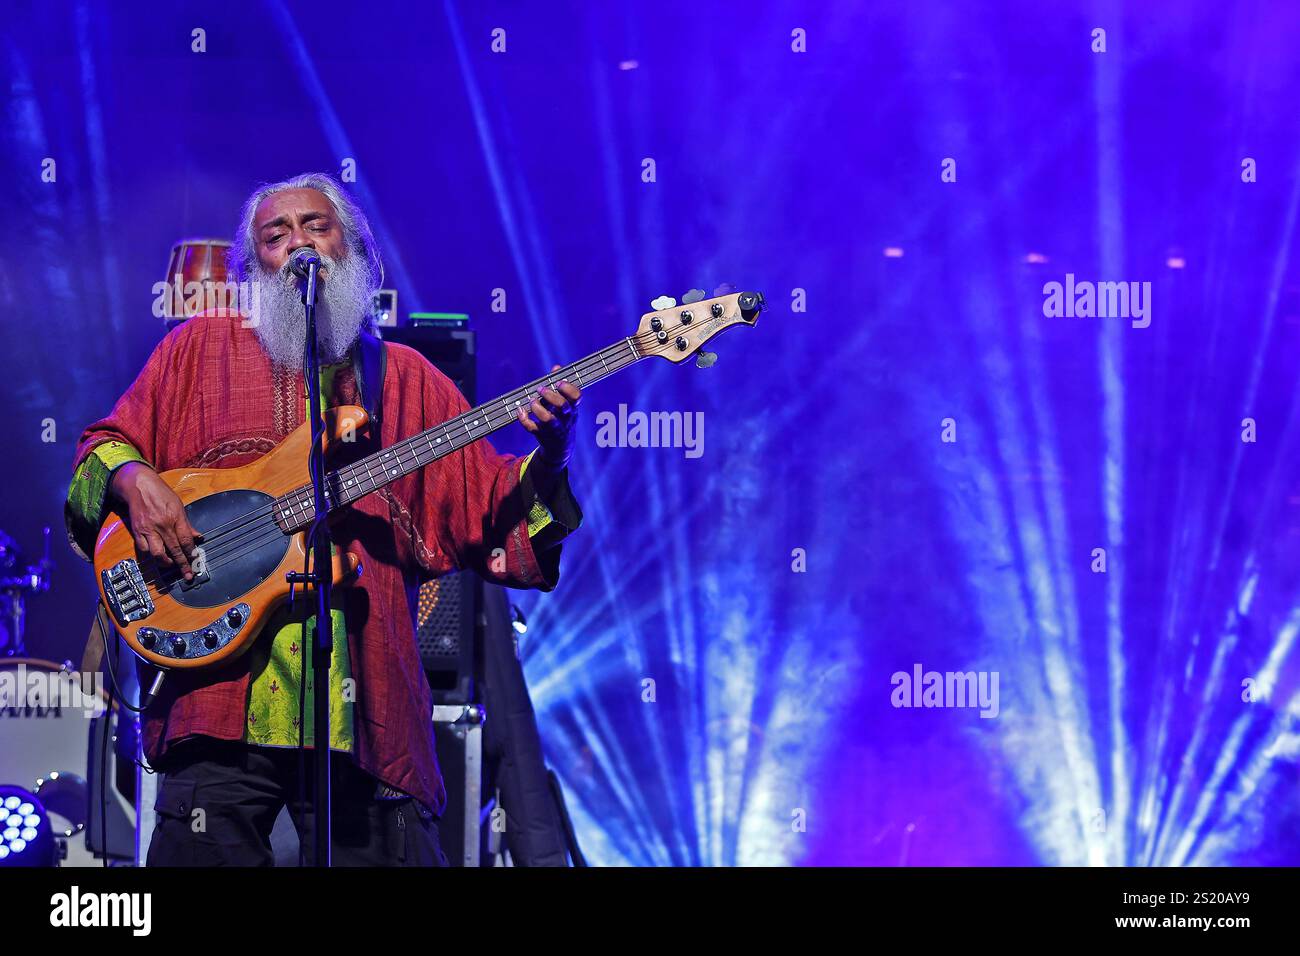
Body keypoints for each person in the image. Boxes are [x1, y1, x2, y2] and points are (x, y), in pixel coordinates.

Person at [64, 172, 583, 866]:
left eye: (316, 226)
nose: (297, 244)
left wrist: (548, 456)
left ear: (356, 250)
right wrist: (134, 480)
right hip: (216, 705)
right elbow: (101, 449)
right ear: (254, 271)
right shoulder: (194, 354)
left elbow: (488, 509)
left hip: (364, 708)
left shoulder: (408, 380)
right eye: (273, 237)